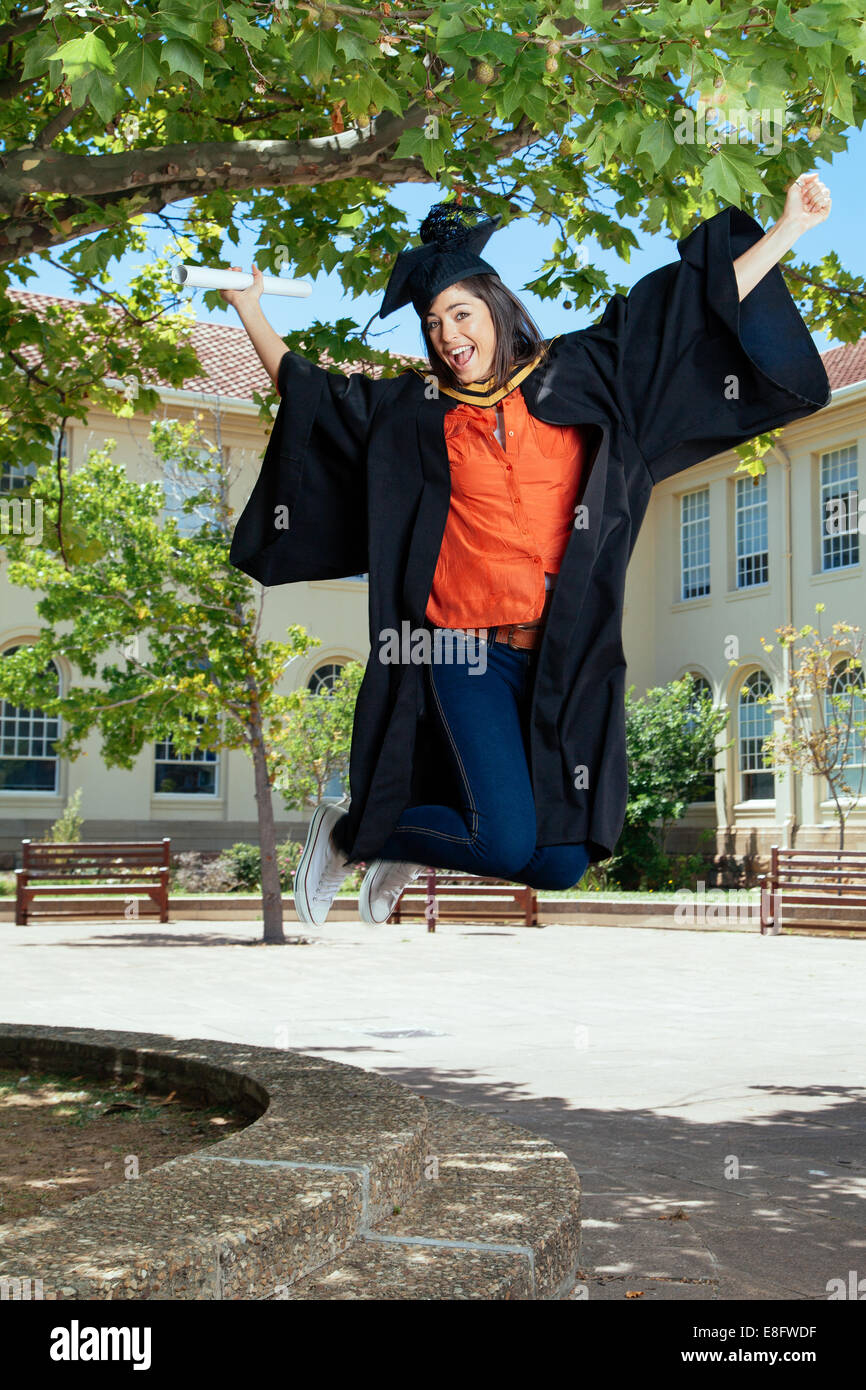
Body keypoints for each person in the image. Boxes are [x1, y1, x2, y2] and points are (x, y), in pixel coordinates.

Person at [223, 174, 832, 928]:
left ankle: (407, 843)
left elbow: (682, 319)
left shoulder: (579, 375)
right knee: (503, 839)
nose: (448, 335)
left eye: (460, 313)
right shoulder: (419, 418)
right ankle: (349, 836)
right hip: (461, 652)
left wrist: (786, 233)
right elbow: (312, 394)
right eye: (434, 323)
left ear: (495, 307)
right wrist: (249, 310)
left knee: (561, 858)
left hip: (559, 658)